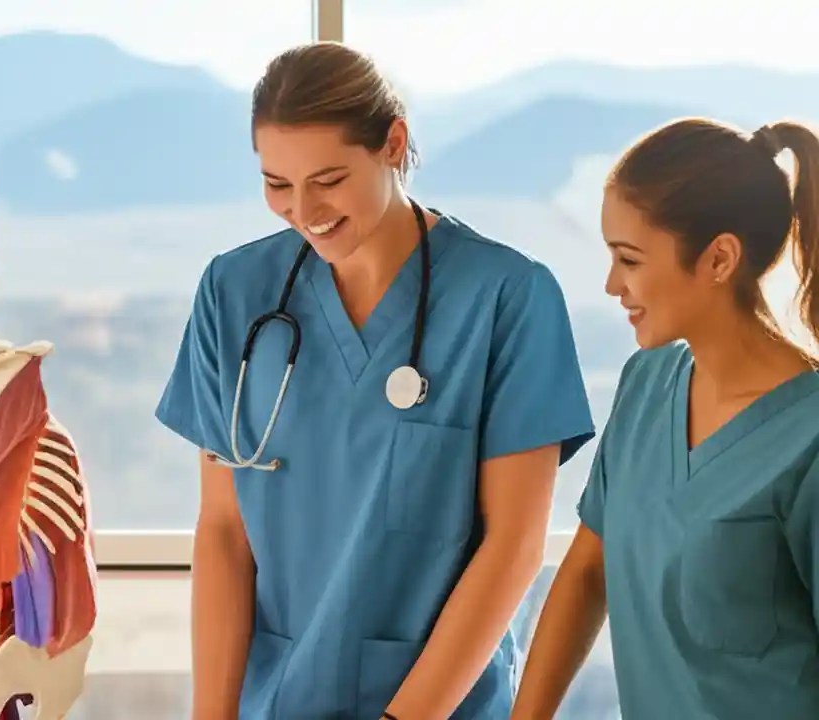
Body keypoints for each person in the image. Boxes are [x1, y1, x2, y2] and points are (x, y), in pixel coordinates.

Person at [153, 41, 596, 720]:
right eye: (277, 184)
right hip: (277, 697)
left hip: (437, 704)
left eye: (328, 180)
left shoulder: (507, 297)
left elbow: (514, 544)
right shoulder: (234, 293)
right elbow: (223, 532)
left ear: (393, 144)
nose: (303, 210)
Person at [511, 117, 819, 718]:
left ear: (719, 259)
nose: (610, 284)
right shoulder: (646, 385)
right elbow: (585, 572)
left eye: (629, 259)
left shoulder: (807, 440)